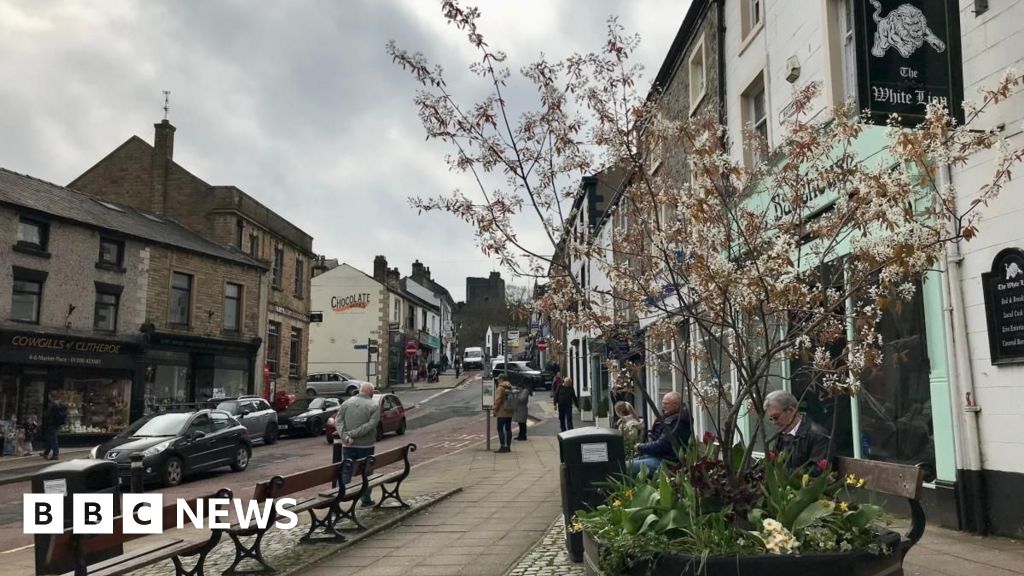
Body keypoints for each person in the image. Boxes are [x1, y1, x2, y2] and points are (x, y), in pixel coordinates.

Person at [764, 390, 832, 474]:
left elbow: (818, 470)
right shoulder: (780, 435)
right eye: (771, 419)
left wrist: (784, 474)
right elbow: (773, 462)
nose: (774, 422)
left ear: (791, 411)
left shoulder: (818, 434)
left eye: (776, 417)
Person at [335, 383, 381, 506]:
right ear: (371, 393)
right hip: (366, 445)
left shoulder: (346, 403)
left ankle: (338, 499)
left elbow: (338, 421)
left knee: (346, 471)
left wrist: (345, 435)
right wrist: (352, 434)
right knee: (367, 473)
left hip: (348, 445)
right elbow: (370, 426)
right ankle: (366, 499)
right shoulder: (373, 405)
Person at [629, 391, 691, 476]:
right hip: (656, 456)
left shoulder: (677, 422)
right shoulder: (669, 418)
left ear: (676, 405)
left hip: (666, 461)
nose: (663, 406)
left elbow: (661, 445)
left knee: (625, 467)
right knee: (621, 464)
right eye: (662, 403)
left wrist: (640, 447)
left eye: (666, 404)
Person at [40, 392, 66, 461]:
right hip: (56, 424)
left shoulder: (53, 405)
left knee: (53, 439)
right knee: (50, 439)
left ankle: (55, 454)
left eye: (49, 396)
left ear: (51, 397)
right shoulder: (60, 404)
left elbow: (49, 414)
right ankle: (46, 452)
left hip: (51, 424)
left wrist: (44, 416)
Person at [493, 376, 514, 453]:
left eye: (498, 379)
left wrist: (495, 410)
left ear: (501, 379)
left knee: (500, 429)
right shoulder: (510, 387)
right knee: (508, 429)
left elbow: (498, 400)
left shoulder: (500, 388)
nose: (497, 380)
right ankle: (508, 447)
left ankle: (502, 446)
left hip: (502, 412)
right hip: (509, 411)